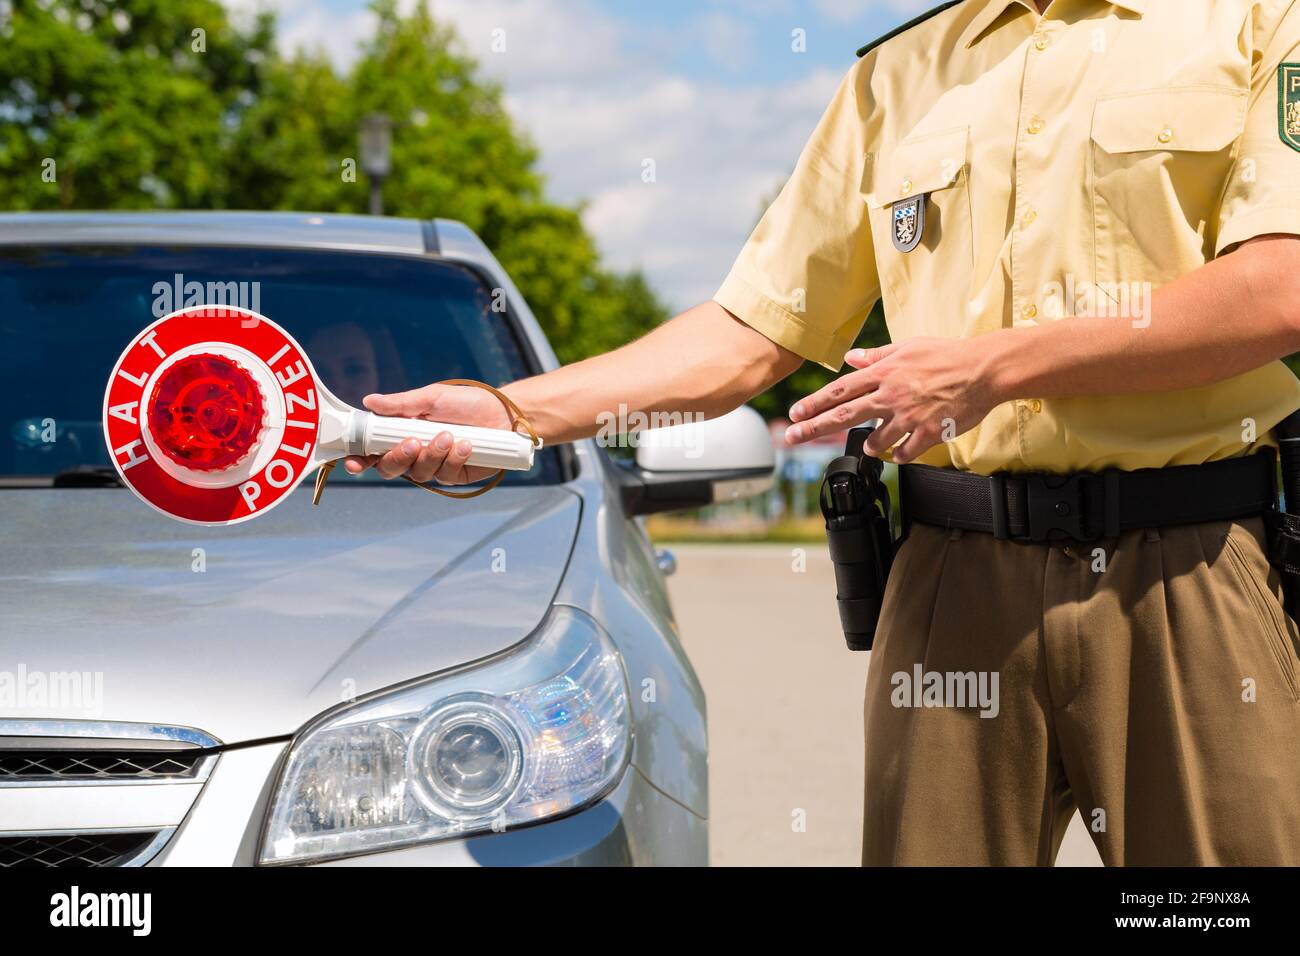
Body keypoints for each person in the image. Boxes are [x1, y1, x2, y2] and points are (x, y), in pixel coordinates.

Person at [346, 0, 1300, 865]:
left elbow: (1277, 287)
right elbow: (751, 332)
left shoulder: (1257, 22)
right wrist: (514, 409)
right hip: (952, 575)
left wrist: (993, 365)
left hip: (1188, 570)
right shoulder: (898, 72)